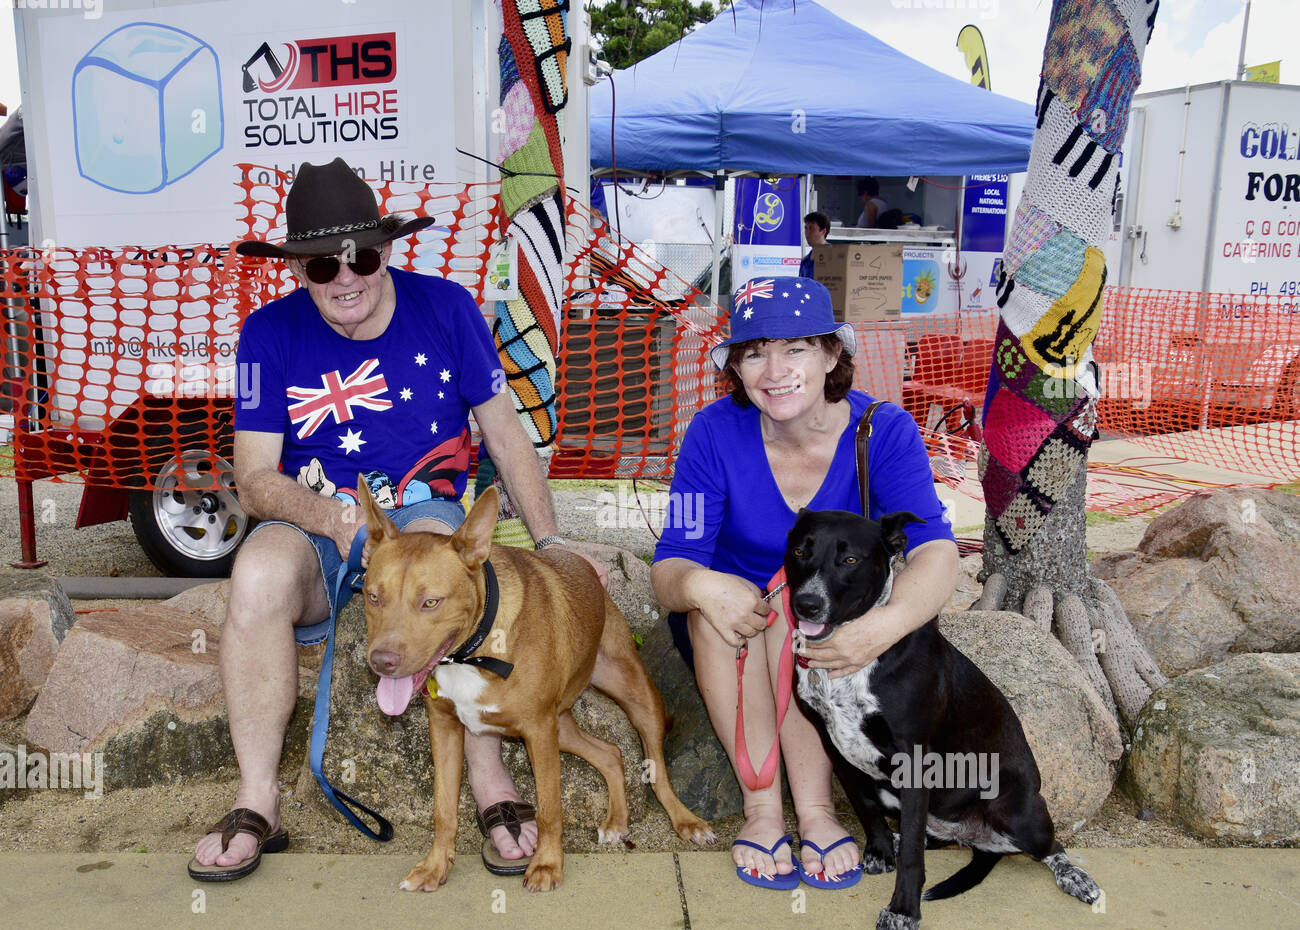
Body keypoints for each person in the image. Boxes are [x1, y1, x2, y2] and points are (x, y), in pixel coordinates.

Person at [189, 158, 590, 881]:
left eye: (362, 257)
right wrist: (333, 518)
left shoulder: (448, 309)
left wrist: (551, 540)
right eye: (321, 265)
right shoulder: (265, 334)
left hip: (425, 516)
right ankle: (258, 799)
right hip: (320, 526)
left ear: (388, 250)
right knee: (252, 575)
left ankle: (491, 779)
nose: (345, 278)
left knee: (466, 589)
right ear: (298, 268)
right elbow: (252, 479)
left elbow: (504, 431)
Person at [650, 276, 958, 887]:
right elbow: (671, 564)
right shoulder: (712, 432)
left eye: (794, 348)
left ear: (831, 355)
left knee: (798, 605)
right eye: (754, 351)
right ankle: (761, 809)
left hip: (830, 626)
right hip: (731, 631)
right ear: (735, 366)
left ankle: (817, 811)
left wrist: (882, 628)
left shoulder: (883, 432)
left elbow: (937, 552)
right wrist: (701, 587)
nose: (774, 369)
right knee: (727, 608)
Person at [799, 211, 829, 279]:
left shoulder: (833, 257)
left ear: (823, 231)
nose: (807, 233)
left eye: (811, 228)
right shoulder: (805, 261)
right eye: (806, 228)